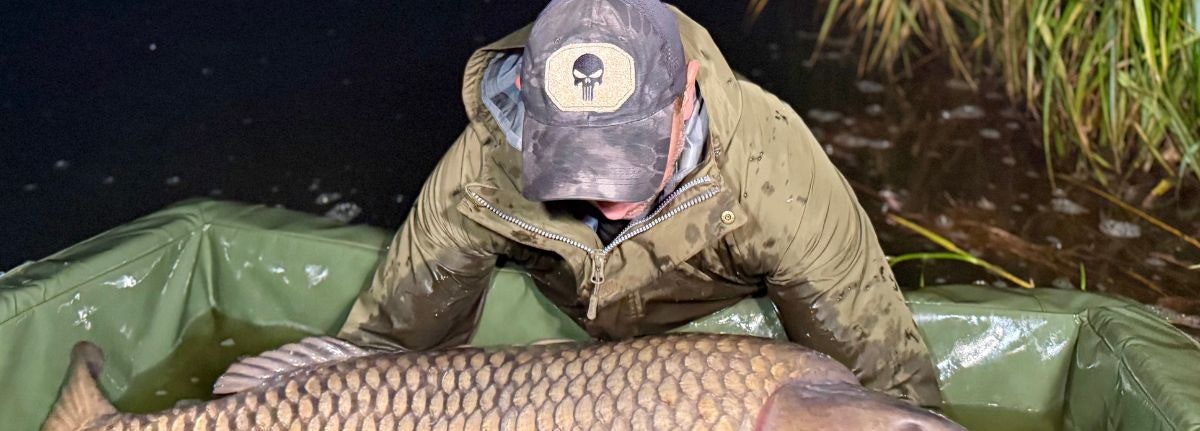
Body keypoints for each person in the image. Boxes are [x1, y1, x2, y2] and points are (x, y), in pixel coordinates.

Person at [338, 0, 942, 407]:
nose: (611, 195)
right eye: (576, 155)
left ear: (687, 91)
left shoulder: (777, 174)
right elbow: (384, 354)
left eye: (632, 149)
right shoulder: (484, 164)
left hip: (713, 326)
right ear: (526, 93)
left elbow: (884, 387)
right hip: (574, 338)